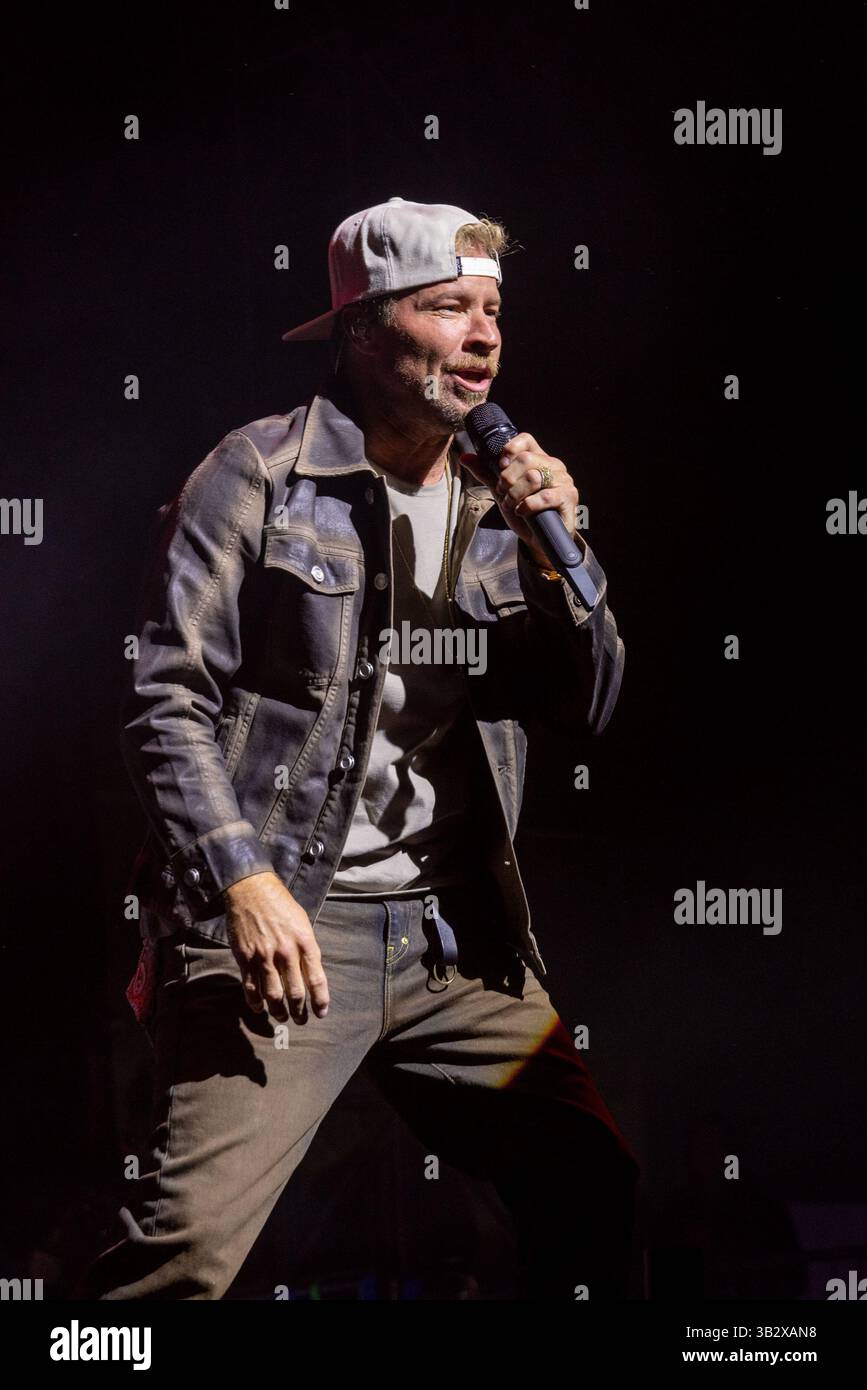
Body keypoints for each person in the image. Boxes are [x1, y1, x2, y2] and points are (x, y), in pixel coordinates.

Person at [77, 197, 639, 1300]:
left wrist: (553, 568)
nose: (483, 337)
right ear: (365, 330)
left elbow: (592, 705)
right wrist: (240, 878)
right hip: (288, 919)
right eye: (448, 309)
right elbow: (163, 694)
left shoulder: (500, 503)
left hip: (452, 933)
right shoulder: (257, 476)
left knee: (593, 1187)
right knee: (180, 1258)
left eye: (492, 313)